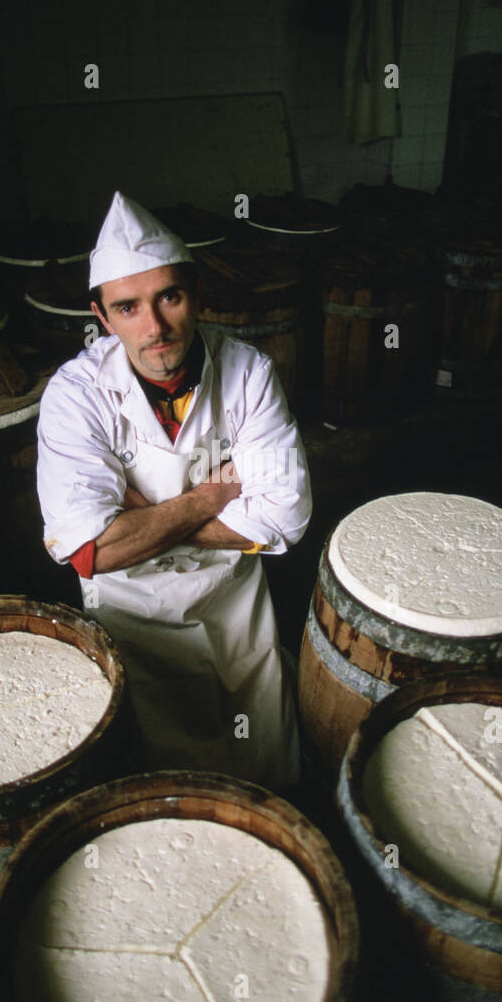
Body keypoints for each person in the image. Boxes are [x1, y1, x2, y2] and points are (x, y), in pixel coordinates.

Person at [36, 192, 312, 789]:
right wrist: (210, 495)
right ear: (102, 317)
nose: (154, 327)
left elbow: (286, 518)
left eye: (169, 297)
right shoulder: (76, 396)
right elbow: (89, 552)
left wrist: (140, 517)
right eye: (128, 307)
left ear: (196, 294)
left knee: (267, 773)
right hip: (134, 618)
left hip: (235, 609)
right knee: (163, 793)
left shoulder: (249, 373)